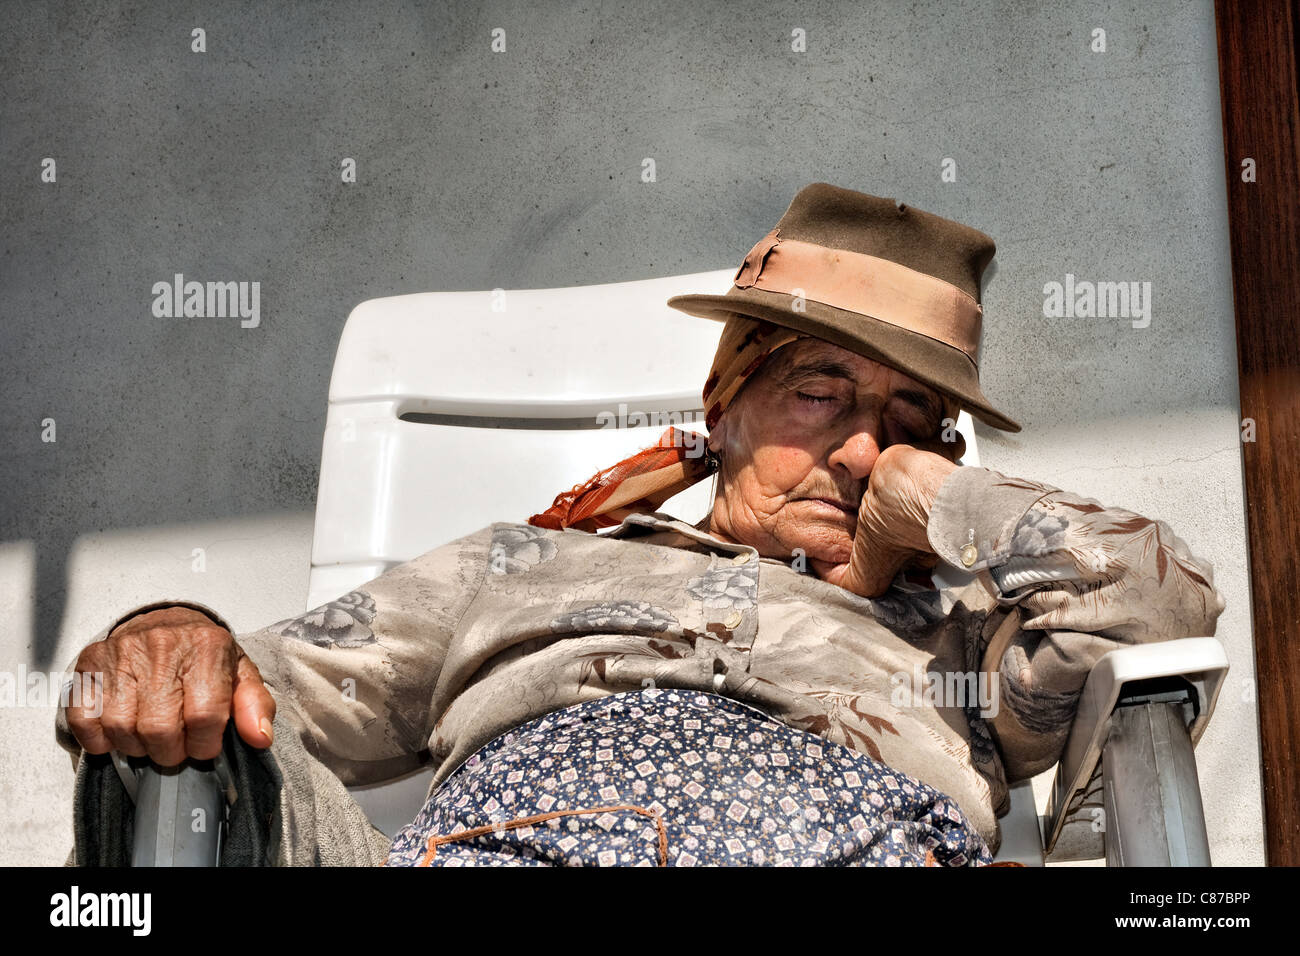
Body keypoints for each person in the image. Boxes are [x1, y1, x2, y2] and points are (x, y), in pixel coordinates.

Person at [56, 183, 1225, 866]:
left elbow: (1156, 605)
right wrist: (171, 629)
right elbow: (259, 682)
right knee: (156, 736)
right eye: (819, 390)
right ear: (724, 401)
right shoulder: (519, 565)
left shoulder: (967, 631)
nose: (863, 447)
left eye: (911, 420)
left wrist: (941, 504)